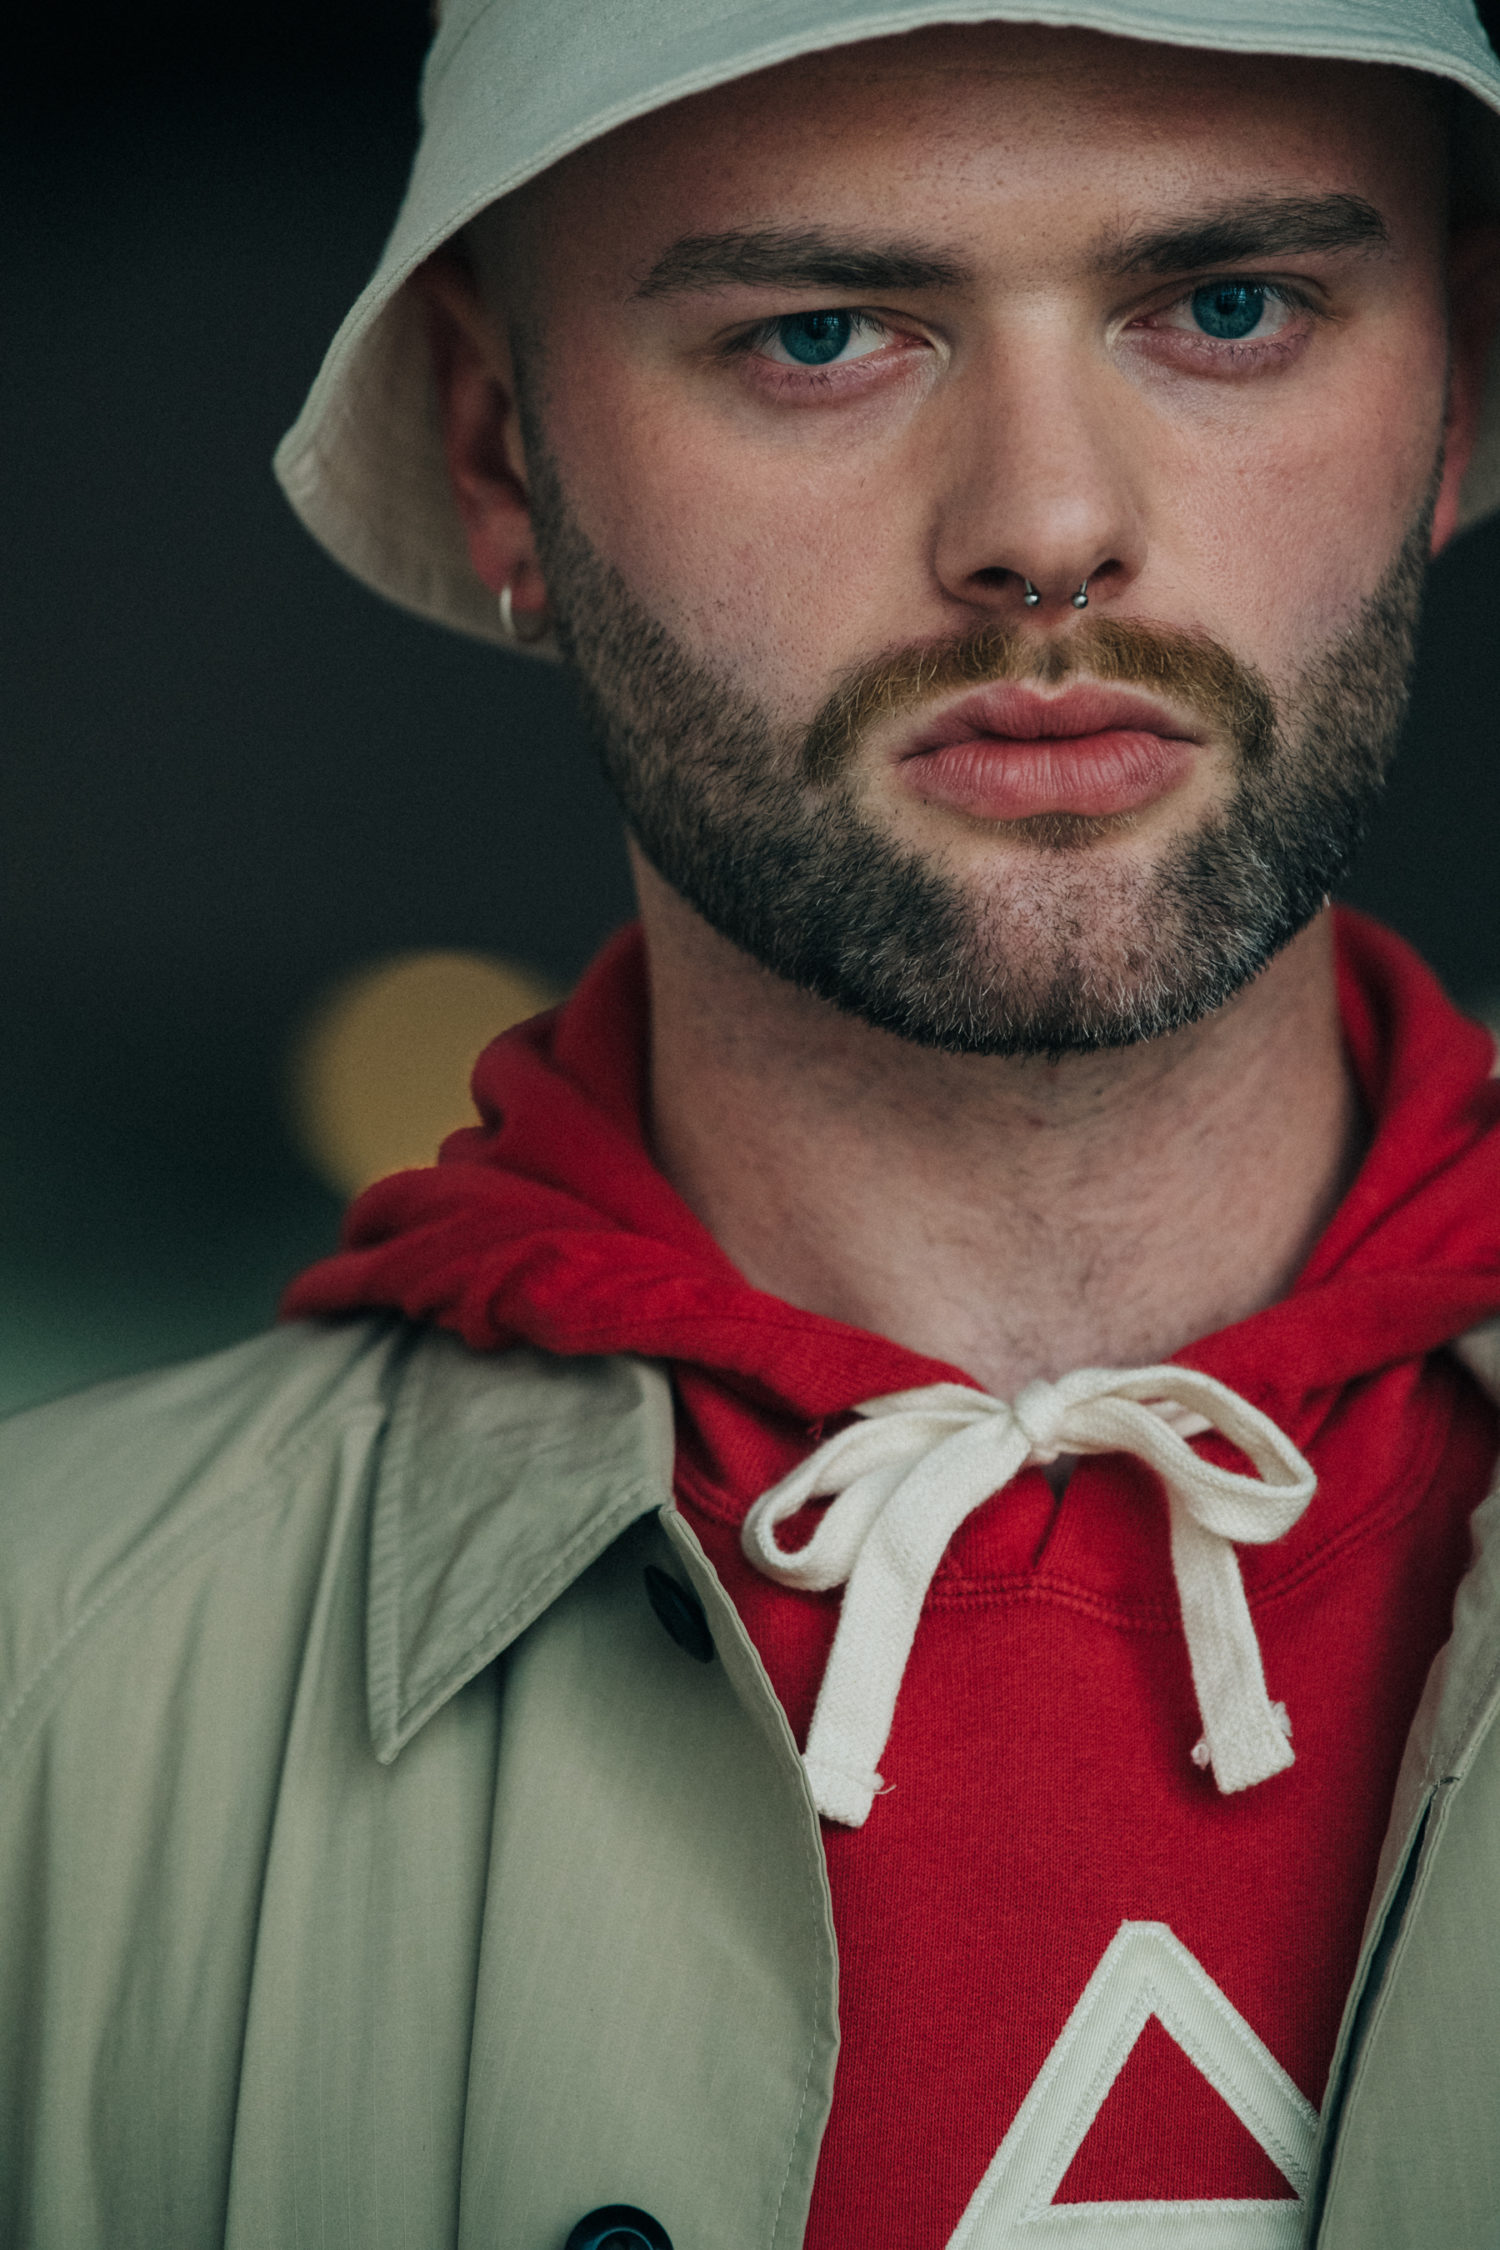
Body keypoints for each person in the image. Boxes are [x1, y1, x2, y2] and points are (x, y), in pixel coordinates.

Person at [6, 1, 1500, 2244]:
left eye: (1225, 308)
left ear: (1457, 392)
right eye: (822, 333)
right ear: (502, 445)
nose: (1049, 528)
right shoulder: (44, 1691)